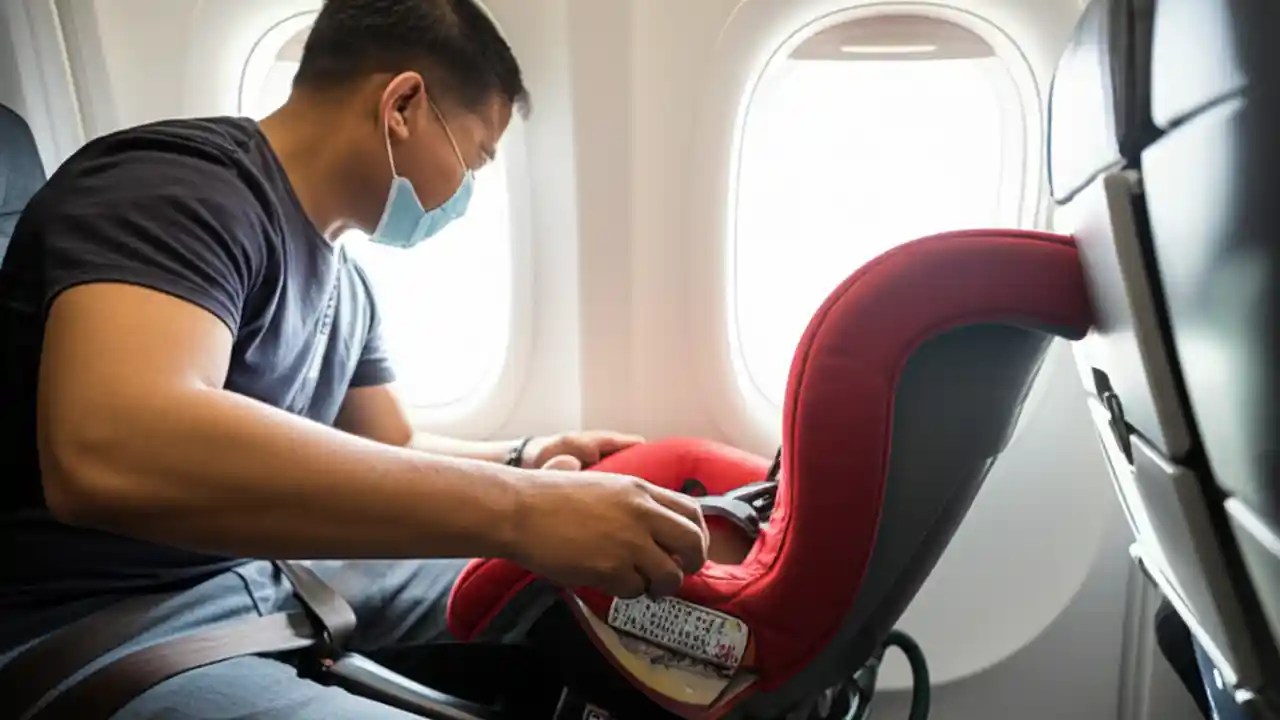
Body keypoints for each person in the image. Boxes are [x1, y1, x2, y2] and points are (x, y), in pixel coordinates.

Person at [0, 0, 709, 716]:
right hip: (92, 625)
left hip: (267, 575)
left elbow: (390, 444)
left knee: (574, 600)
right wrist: (522, 510)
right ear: (402, 104)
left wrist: (525, 457)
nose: (470, 187)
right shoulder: (173, 191)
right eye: (477, 155)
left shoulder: (346, 282)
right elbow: (115, 448)